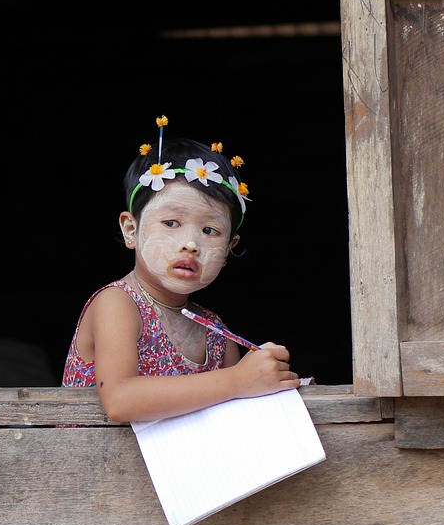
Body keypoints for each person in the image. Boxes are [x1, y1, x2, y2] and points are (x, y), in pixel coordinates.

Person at [62, 115, 302, 422]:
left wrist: (270, 379)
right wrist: (238, 381)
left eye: (210, 231)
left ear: (229, 248)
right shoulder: (118, 304)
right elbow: (120, 400)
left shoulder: (216, 334)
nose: (190, 244)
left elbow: (235, 415)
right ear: (130, 230)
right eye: (171, 223)